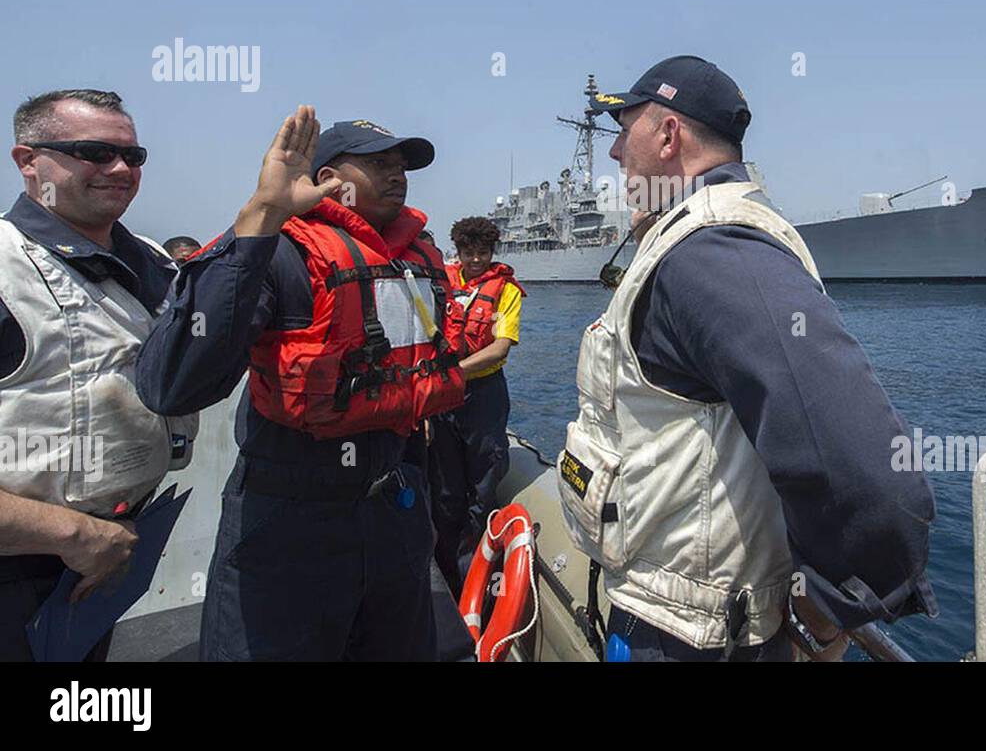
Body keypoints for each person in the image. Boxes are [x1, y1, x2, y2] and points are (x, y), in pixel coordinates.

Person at [558, 56, 937, 662]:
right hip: (668, 609)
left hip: (693, 639)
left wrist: (826, 611)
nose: (612, 154)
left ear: (666, 134)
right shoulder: (695, 236)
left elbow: (873, 474)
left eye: (623, 131)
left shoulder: (713, 253)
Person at [135, 109, 473, 661]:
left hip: (396, 510)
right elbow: (171, 386)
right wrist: (263, 214)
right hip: (289, 518)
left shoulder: (415, 263)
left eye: (401, 165)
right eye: (376, 163)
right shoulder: (281, 253)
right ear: (325, 180)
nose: (397, 175)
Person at [0, 89, 198, 662]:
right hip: (23, 564)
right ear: (28, 161)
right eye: (93, 152)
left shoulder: (156, 264)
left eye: (133, 157)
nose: (120, 169)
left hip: (108, 557)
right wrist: (72, 536)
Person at [429, 216, 525, 591]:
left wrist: (455, 373)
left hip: (483, 394)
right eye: (468, 253)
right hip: (443, 395)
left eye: (482, 252)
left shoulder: (506, 291)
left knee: (484, 481)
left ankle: (474, 571)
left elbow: (501, 346)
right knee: (446, 488)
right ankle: (448, 572)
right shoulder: (442, 284)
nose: (475, 260)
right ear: (458, 252)